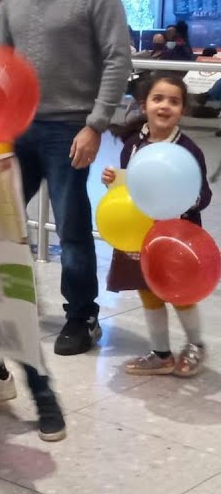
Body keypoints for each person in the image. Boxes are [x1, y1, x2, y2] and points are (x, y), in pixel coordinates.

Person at [0, 0, 133, 356]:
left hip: (69, 129)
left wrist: (95, 125)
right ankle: (9, 303)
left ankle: (82, 316)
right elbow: (2, 61)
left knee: (71, 229)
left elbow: (117, 59)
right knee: (1, 221)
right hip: (18, 127)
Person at [102, 74, 210, 376]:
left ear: (183, 110)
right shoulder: (132, 145)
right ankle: (161, 353)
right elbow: (129, 189)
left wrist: (180, 197)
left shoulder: (188, 150)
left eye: (174, 101)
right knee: (147, 291)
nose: (165, 106)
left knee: (179, 293)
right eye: (158, 98)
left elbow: (203, 196)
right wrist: (113, 183)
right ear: (144, 105)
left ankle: (196, 345)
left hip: (176, 235)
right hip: (140, 234)